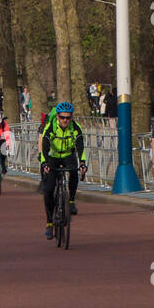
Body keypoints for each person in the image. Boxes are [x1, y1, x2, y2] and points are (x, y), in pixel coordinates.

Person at [39, 102, 87, 239]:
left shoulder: (76, 128)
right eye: (62, 117)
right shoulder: (51, 127)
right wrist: (44, 163)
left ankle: (70, 201)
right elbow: (45, 146)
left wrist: (83, 163)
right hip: (52, 157)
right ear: (58, 117)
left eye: (68, 118)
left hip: (67, 155)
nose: (65, 120)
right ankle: (49, 223)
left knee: (74, 173)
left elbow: (80, 147)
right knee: (48, 190)